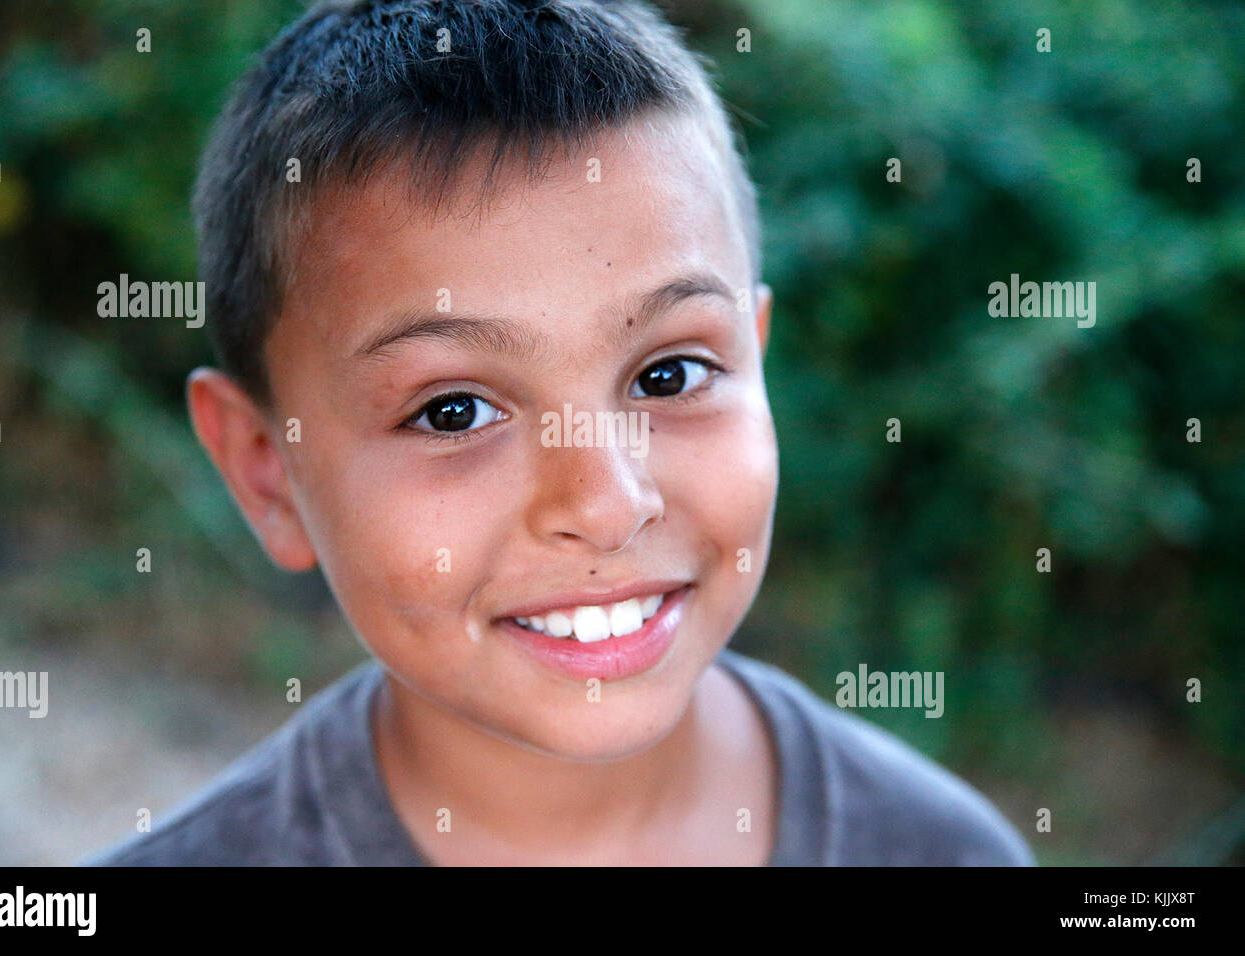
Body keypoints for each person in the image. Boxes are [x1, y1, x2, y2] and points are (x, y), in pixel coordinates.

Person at [85, 0, 1033, 866]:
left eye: (671, 375)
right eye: (452, 411)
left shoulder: (944, 854)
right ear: (267, 473)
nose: (609, 505)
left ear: (756, 356)